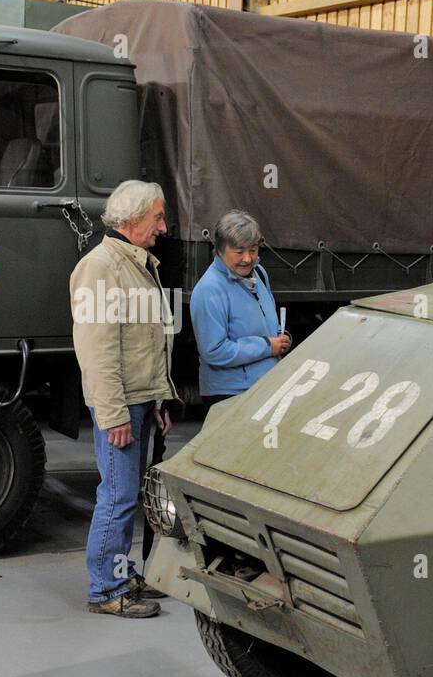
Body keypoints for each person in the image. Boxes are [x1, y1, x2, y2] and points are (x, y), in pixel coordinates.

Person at [70, 179, 176, 618]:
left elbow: (144, 343)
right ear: (132, 220)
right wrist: (113, 414)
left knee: (128, 495)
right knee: (118, 496)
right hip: (120, 405)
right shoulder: (102, 266)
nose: (164, 227)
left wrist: (159, 400)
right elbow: (97, 350)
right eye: (158, 217)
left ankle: (119, 572)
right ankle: (106, 589)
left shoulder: (135, 263)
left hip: (139, 400)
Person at [190, 210, 290, 407]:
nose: (247, 258)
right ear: (219, 250)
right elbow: (214, 351)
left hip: (262, 387)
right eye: (239, 251)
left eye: (253, 250)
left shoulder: (259, 273)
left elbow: (264, 323)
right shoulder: (209, 289)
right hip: (230, 394)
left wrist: (280, 337)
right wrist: (268, 346)